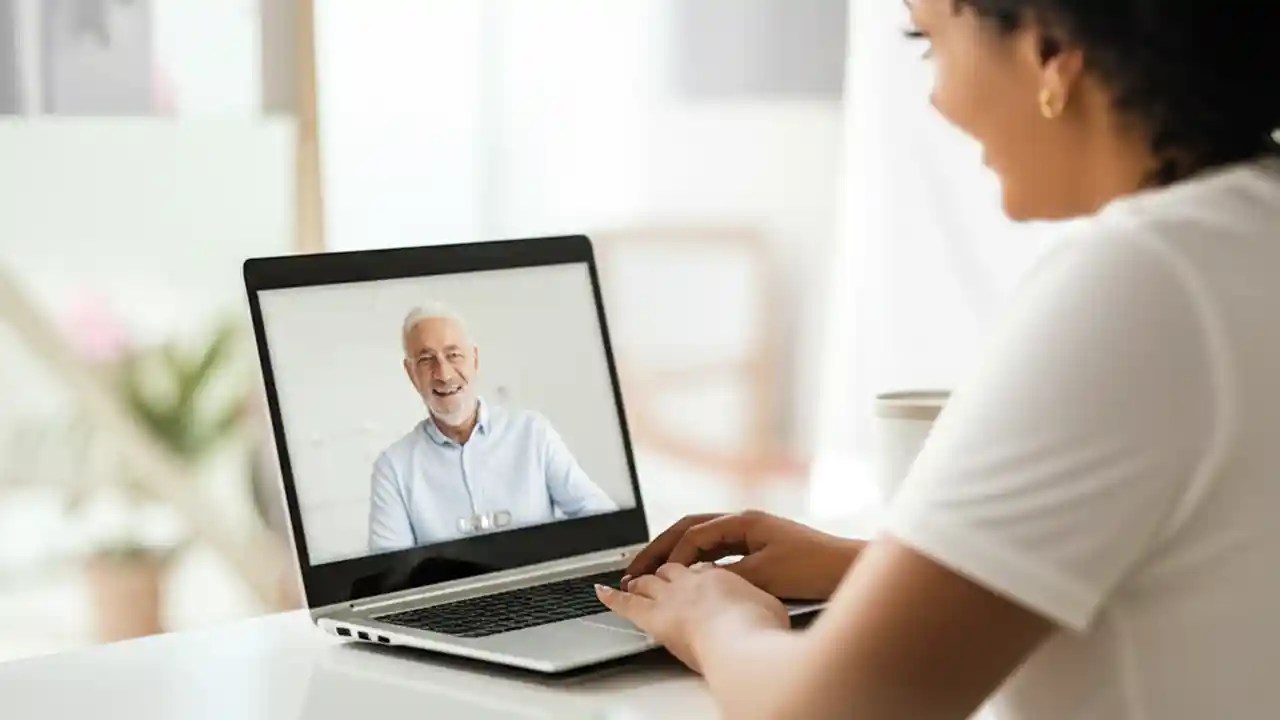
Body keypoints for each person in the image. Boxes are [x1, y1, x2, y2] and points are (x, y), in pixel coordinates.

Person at [596, 2, 1280, 718]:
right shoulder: (1243, 236)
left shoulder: (1142, 281)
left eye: (927, 41)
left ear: (1051, 50)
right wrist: (881, 570)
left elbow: (828, 711)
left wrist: (714, 619)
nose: (938, 99)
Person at [368, 303, 617, 552]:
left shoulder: (532, 433)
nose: (443, 374)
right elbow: (390, 569)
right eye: (426, 360)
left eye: (453, 355)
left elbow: (604, 520)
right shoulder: (393, 468)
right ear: (411, 373)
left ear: (475, 359)